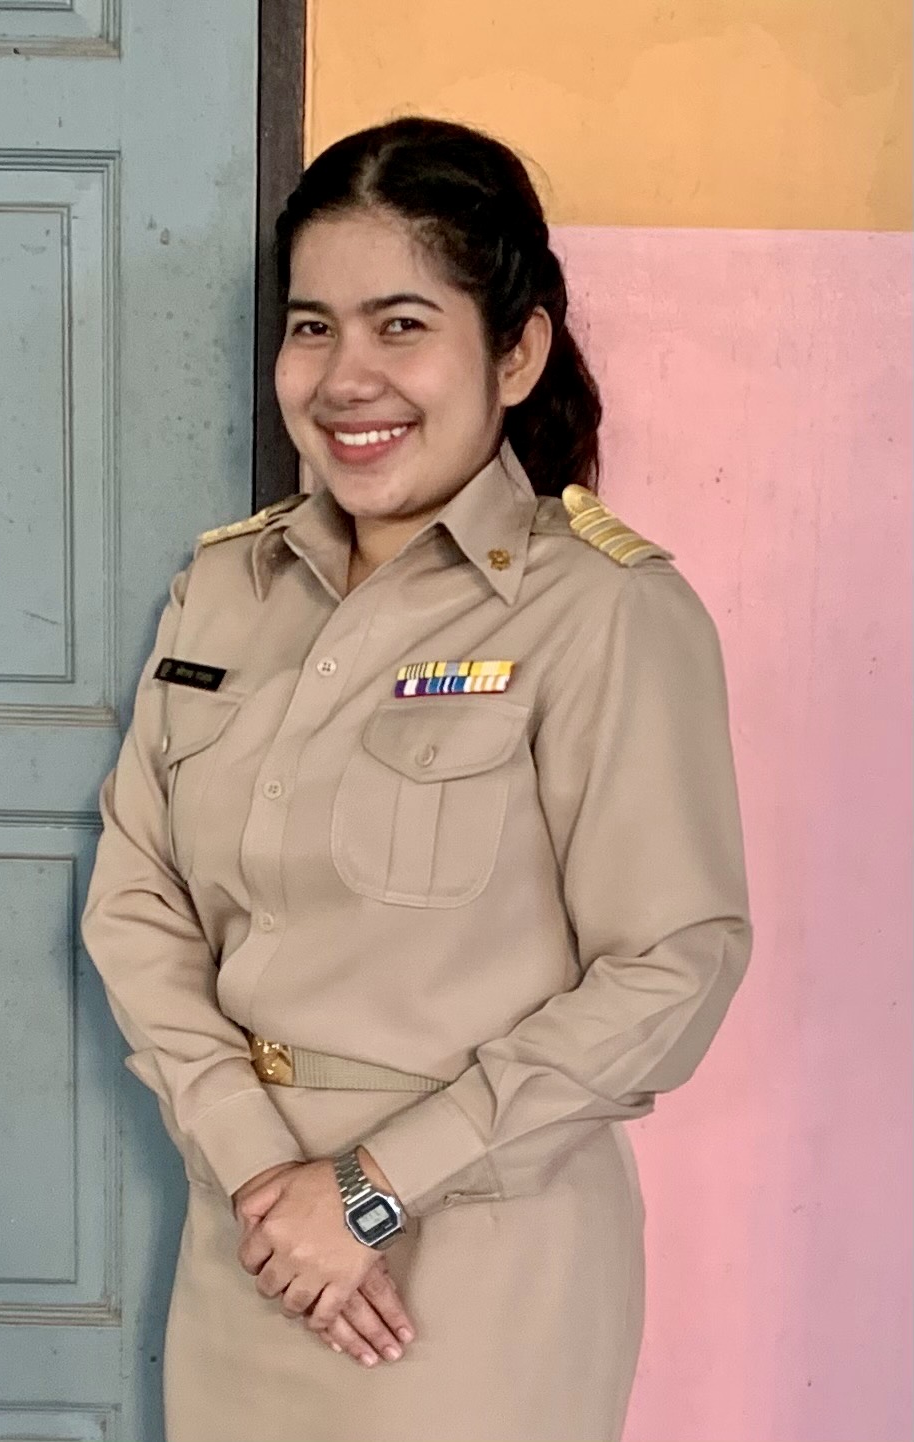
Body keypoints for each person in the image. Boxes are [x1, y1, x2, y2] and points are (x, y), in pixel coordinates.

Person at [81, 116, 751, 1442]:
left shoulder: (603, 612)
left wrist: (372, 1190)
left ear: (516, 352)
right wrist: (261, 1171)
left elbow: (673, 963)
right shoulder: (225, 588)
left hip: (477, 1262)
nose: (347, 377)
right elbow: (136, 902)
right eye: (313, 326)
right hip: (249, 1243)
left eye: (401, 324)